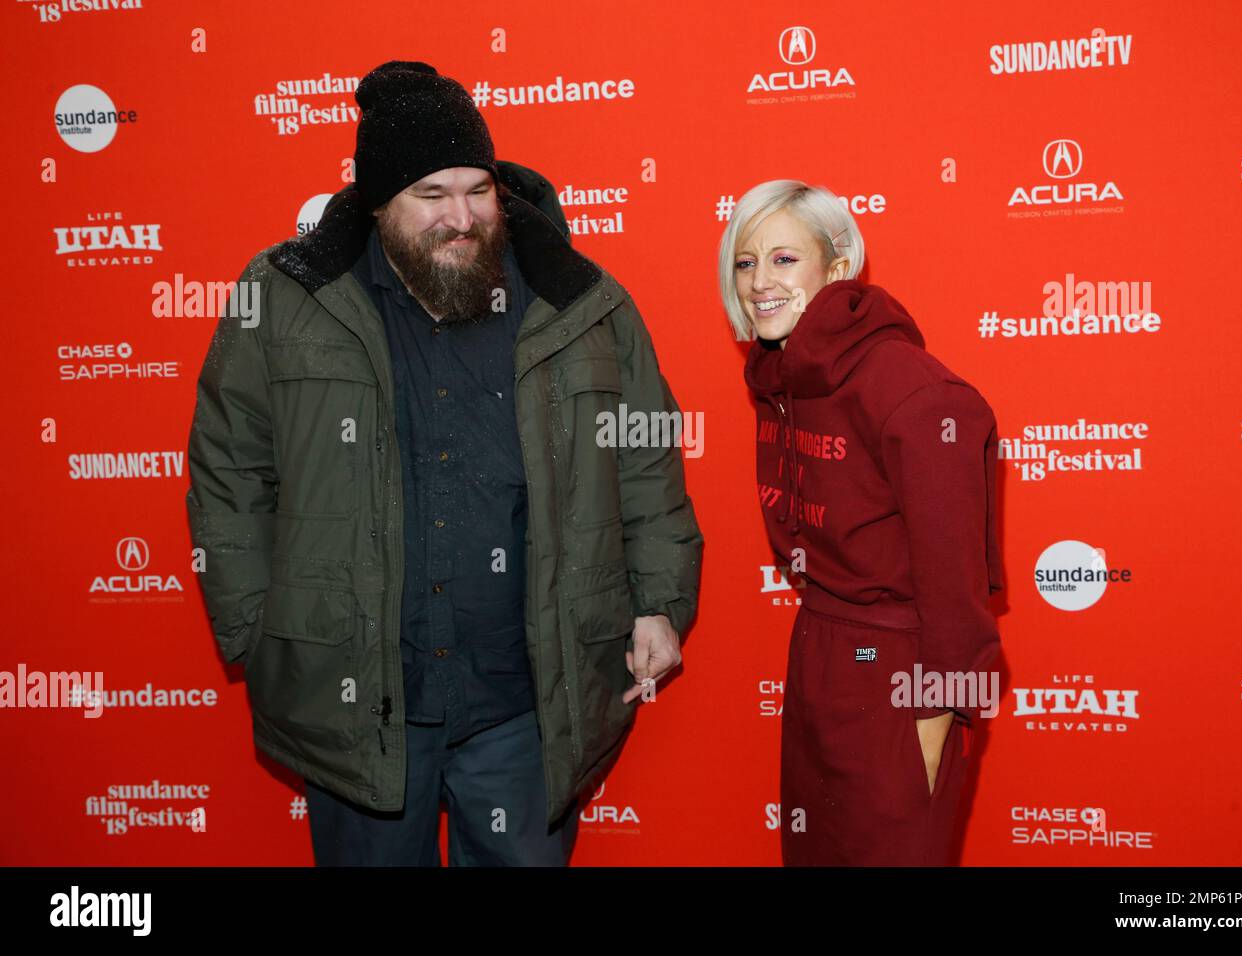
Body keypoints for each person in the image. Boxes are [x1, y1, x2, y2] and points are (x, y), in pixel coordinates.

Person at [185, 60, 703, 866]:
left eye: (477, 189)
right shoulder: (287, 296)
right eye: (431, 195)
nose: (460, 217)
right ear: (377, 202)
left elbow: (644, 461)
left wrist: (660, 603)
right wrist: (264, 632)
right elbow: (230, 468)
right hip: (356, 698)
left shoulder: (578, 299)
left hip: (527, 705)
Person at [721, 180, 1004, 865]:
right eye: (745, 261)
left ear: (839, 266)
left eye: (784, 259)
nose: (760, 282)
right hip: (820, 654)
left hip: (902, 678)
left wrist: (935, 726)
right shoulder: (781, 377)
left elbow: (954, 592)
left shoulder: (915, 394)